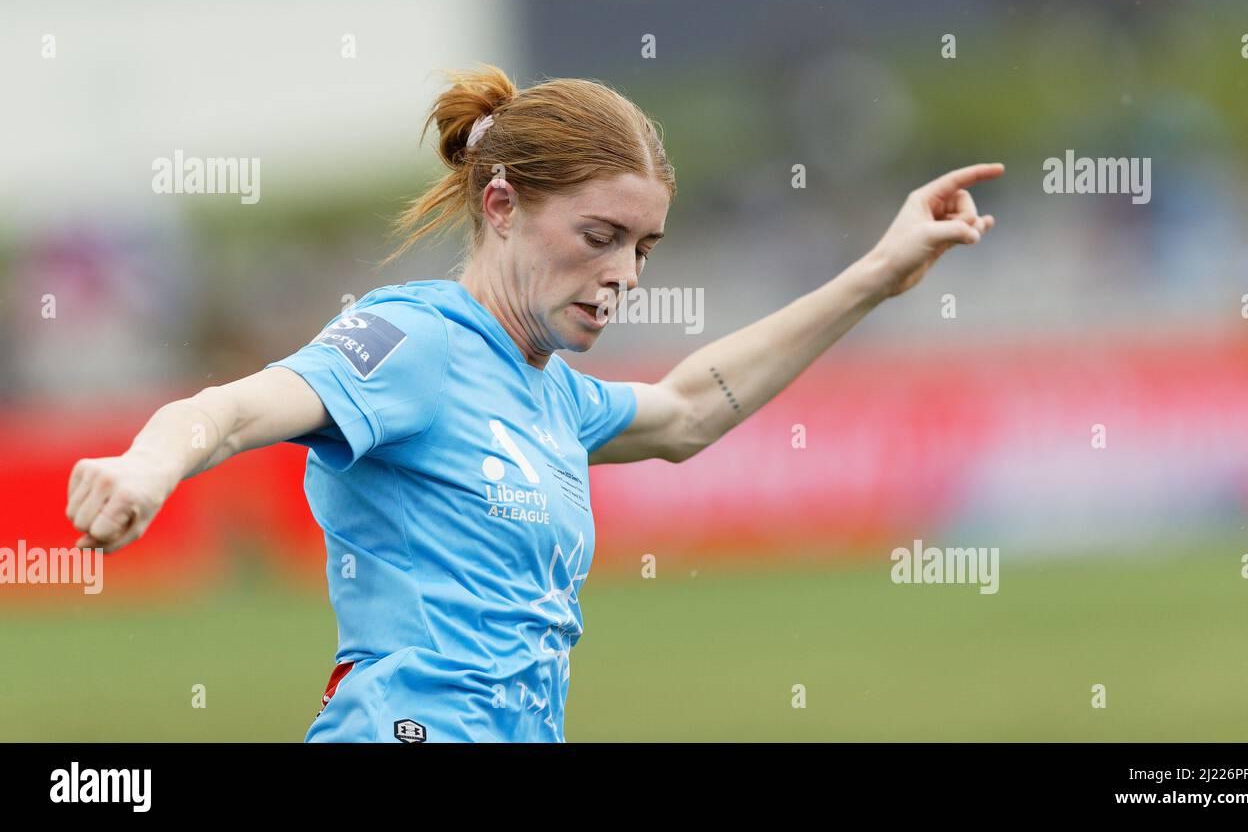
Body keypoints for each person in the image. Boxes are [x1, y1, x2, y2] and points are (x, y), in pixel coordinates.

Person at [64, 64, 1000, 742]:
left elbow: (688, 409)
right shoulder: (416, 342)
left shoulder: (551, 392)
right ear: (504, 205)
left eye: (645, 247)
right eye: (600, 236)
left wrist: (879, 274)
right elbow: (231, 409)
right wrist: (147, 464)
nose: (624, 274)